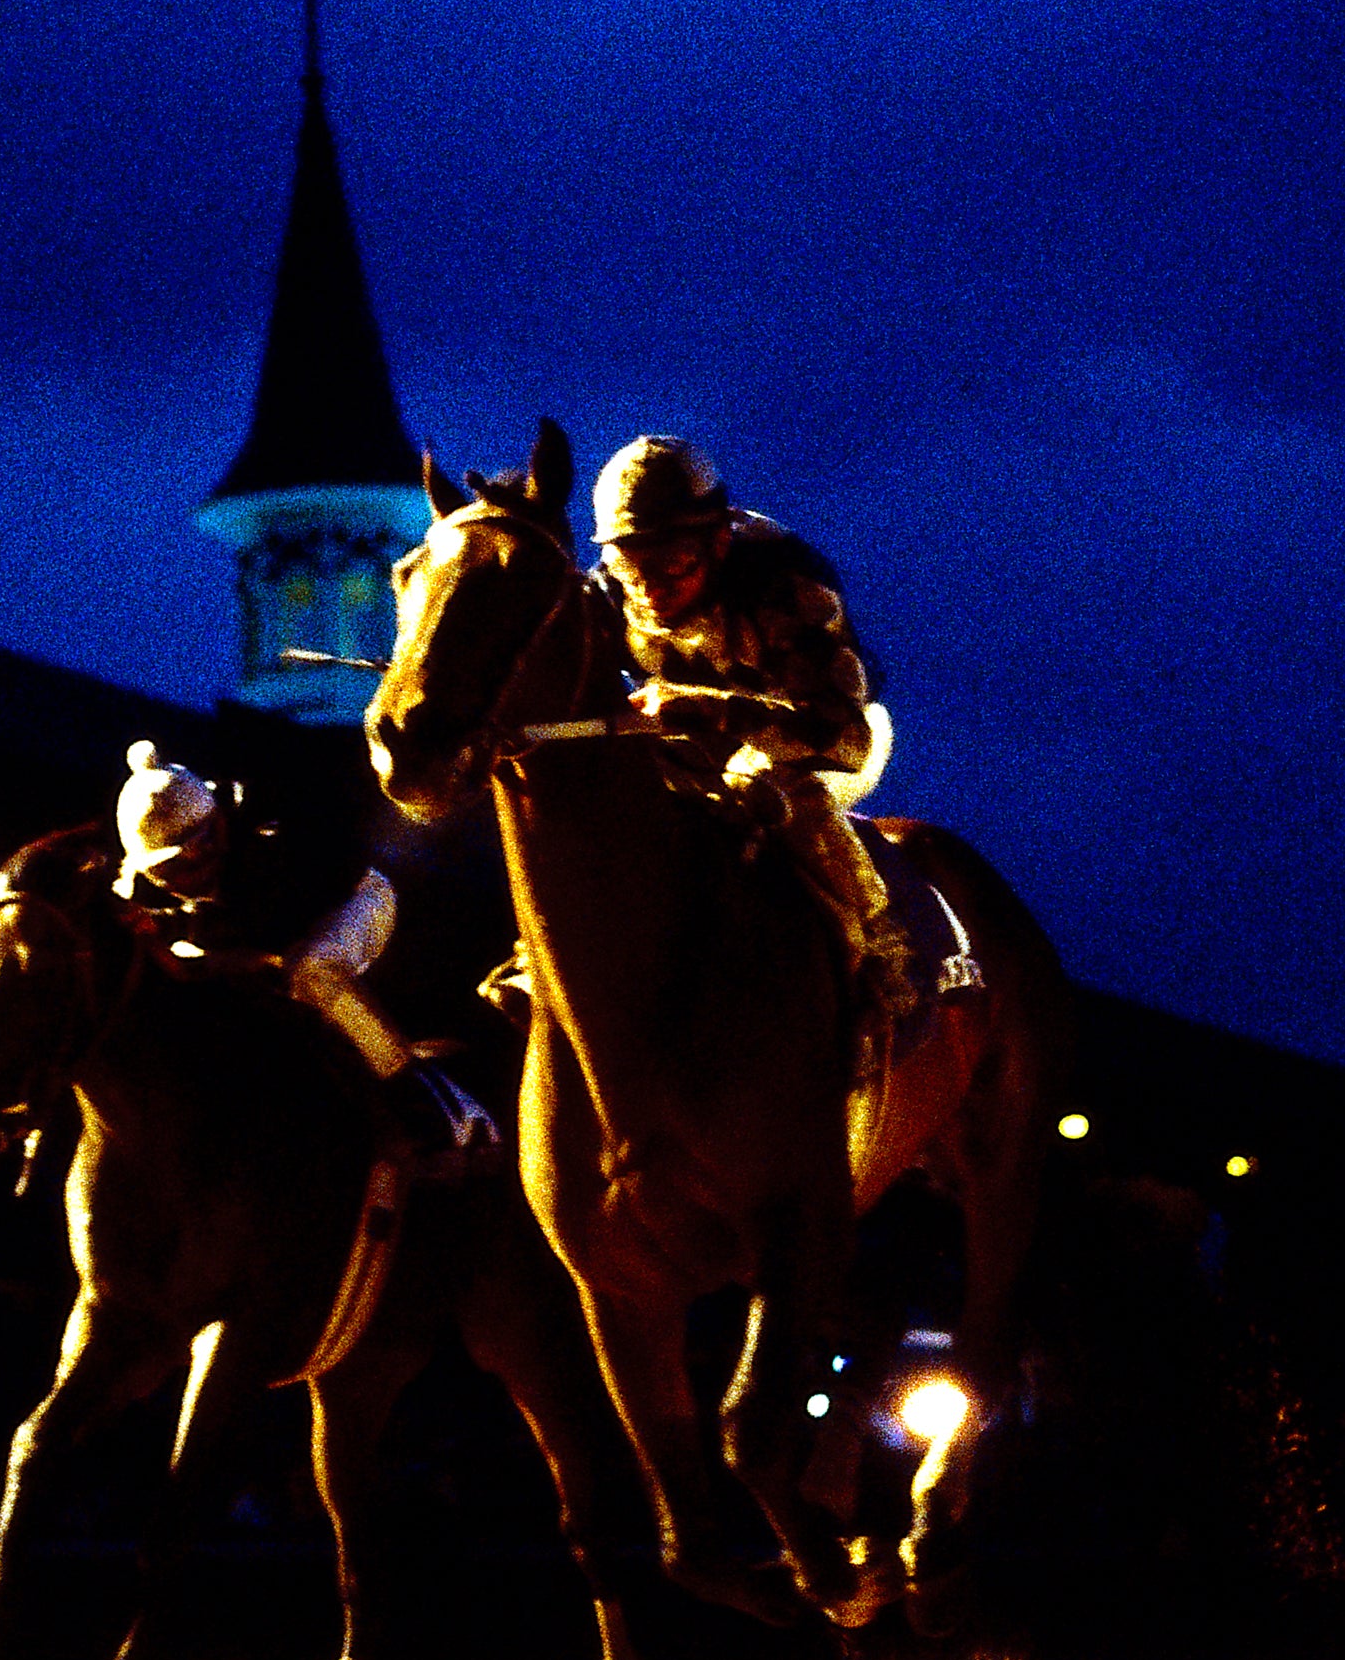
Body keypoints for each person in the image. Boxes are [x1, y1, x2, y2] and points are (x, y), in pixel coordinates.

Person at [586, 435, 912, 1026]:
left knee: (764, 785)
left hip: (831, 735)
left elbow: (838, 739)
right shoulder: (607, 591)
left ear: (718, 542)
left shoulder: (782, 581)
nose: (650, 590)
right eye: (631, 569)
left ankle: (884, 953)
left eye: (671, 566)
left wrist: (710, 708)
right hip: (697, 747)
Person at [111, 741, 498, 1164]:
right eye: (164, 869)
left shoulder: (265, 842)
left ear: (217, 827)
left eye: (190, 853)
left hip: (355, 902)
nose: (181, 873)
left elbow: (264, 950)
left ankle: (434, 1101)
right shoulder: (152, 879)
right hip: (288, 936)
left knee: (312, 970)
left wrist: (188, 946)